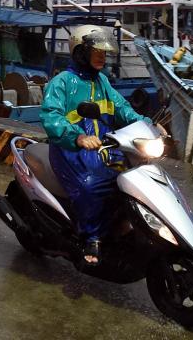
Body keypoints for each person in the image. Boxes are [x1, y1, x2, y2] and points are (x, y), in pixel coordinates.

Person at [40, 25, 151, 266]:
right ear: (81, 53)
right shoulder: (62, 83)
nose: (102, 56)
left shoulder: (102, 81)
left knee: (130, 179)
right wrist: (77, 137)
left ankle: (119, 224)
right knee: (90, 186)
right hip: (71, 151)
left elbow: (122, 109)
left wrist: (149, 126)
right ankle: (91, 237)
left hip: (104, 149)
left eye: (104, 51)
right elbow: (51, 117)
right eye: (96, 51)